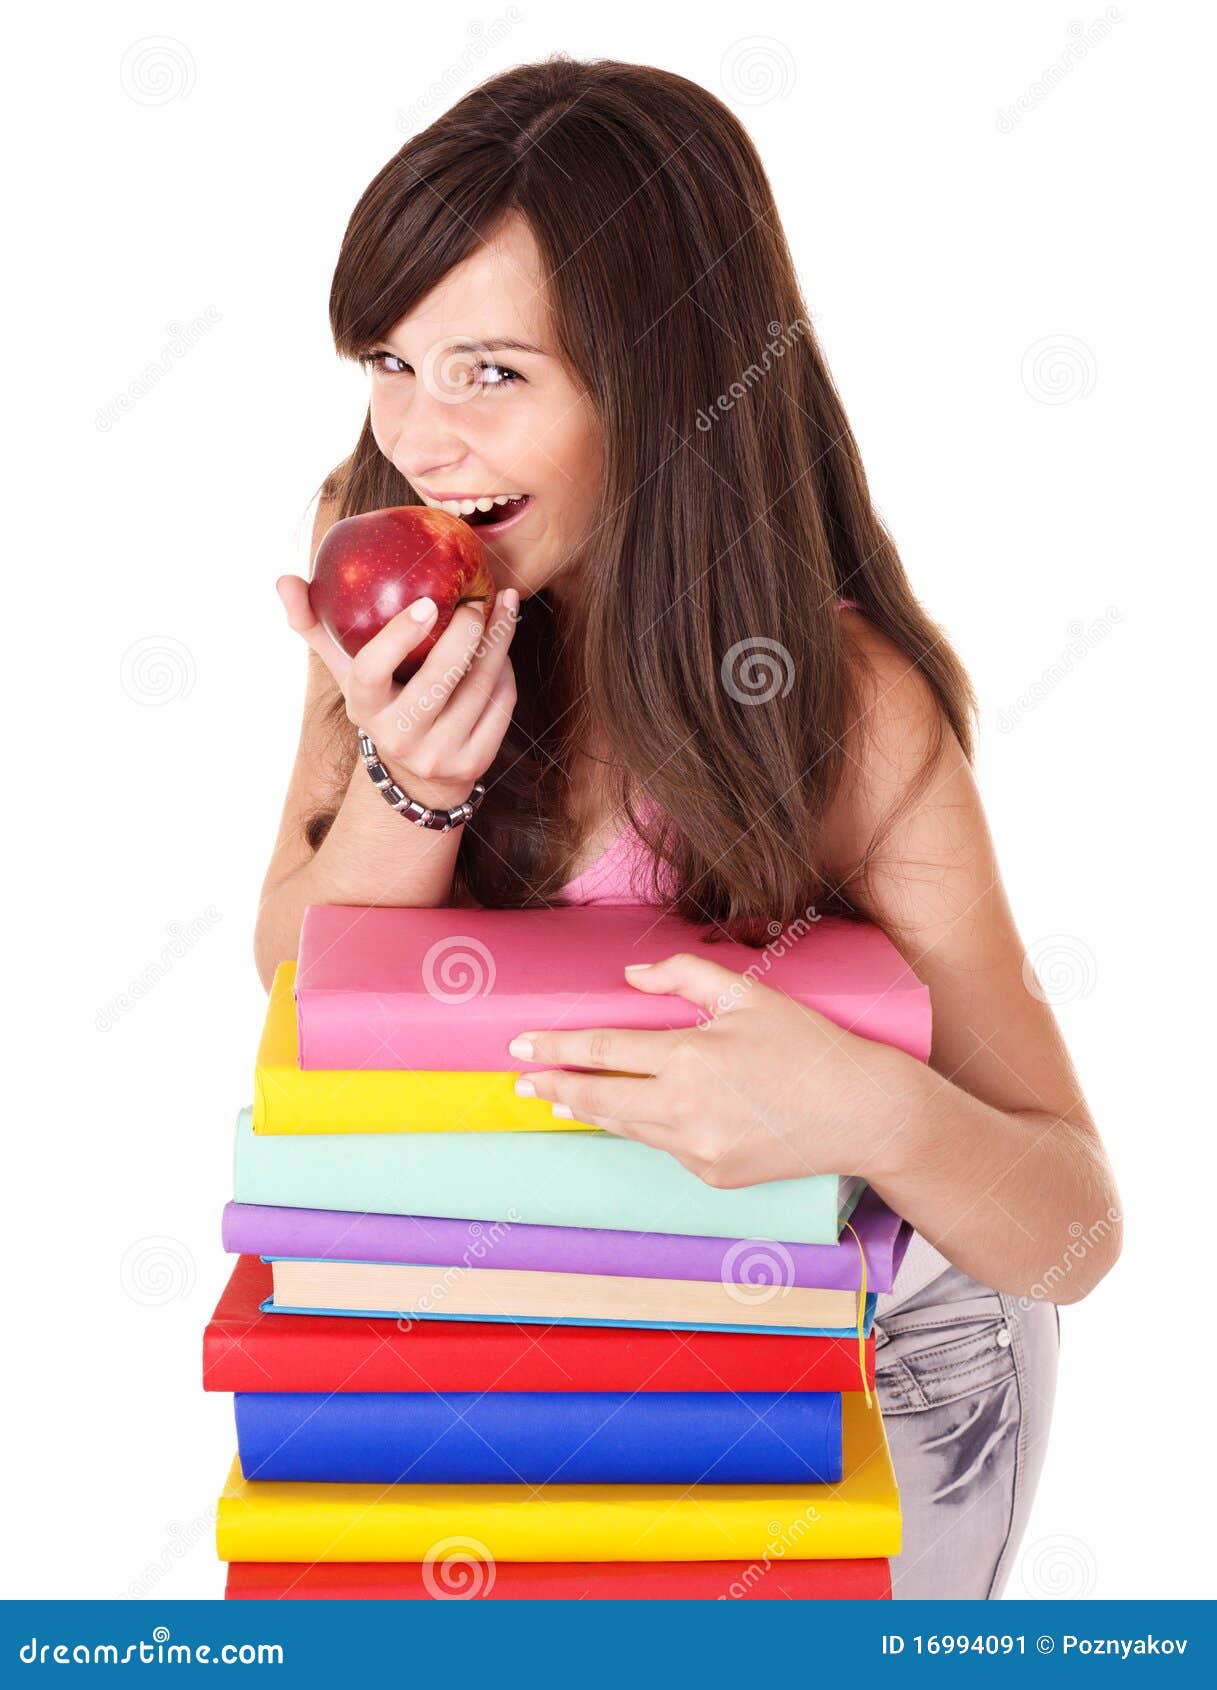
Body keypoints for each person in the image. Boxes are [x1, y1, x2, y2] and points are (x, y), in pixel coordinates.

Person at [259, 55, 1121, 1599]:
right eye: (391, 360)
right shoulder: (380, 549)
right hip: (556, 1339)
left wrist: (869, 1112)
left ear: (661, 384)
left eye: (491, 373)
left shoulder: (841, 708)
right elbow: (301, 980)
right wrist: (414, 785)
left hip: (871, 1366)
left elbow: (1071, 1231)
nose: (421, 440)